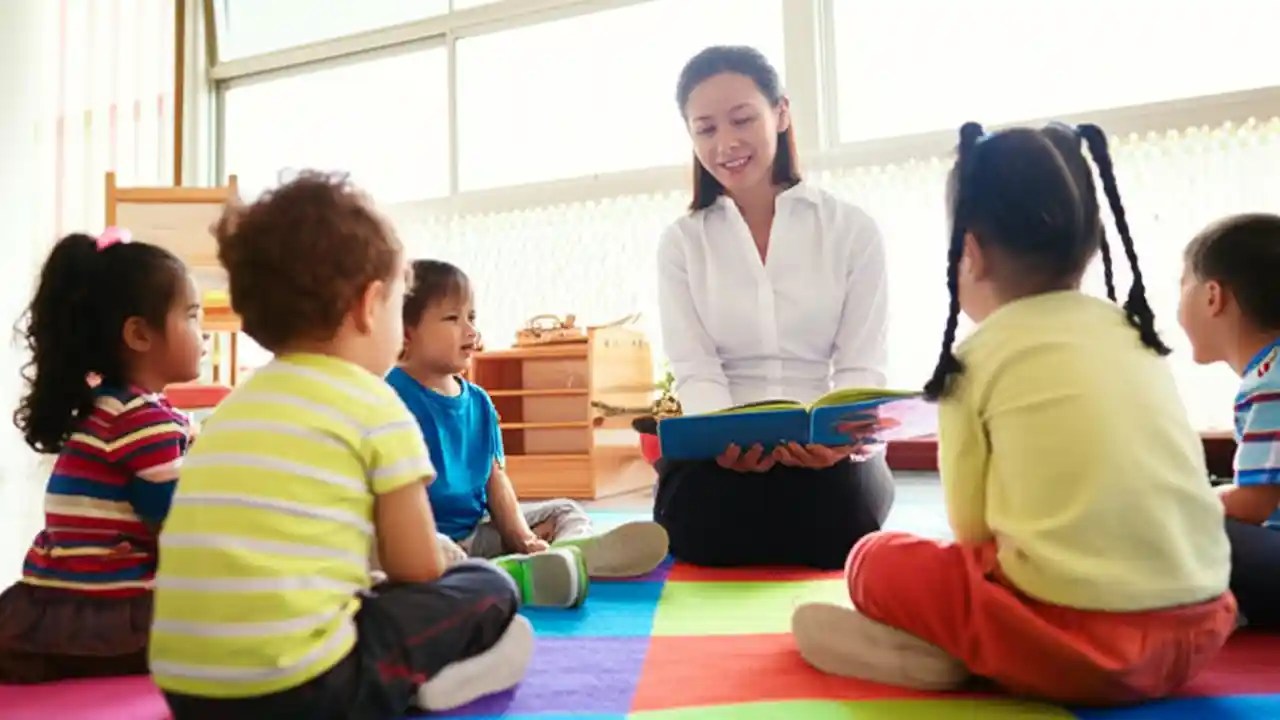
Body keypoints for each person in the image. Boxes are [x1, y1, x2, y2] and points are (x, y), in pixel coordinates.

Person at [792, 122, 1236, 705]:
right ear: (1091, 243)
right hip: (1202, 632)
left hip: (1076, 651)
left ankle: (950, 655)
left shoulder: (975, 359)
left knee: (872, 558)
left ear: (969, 253)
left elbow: (972, 533)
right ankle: (969, 645)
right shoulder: (1134, 335)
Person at [149, 173, 537, 719]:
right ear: (368, 305)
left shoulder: (230, 410)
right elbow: (418, 568)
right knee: (489, 586)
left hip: (188, 690)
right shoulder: (376, 406)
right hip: (310, 691)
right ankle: (442, 681)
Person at [653, 45, 894, 570]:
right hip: (721, 451)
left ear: (781, 114)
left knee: (843, 527)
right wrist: (721, 437)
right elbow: (695, 367)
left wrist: (836, 442)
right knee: (694, 525)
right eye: (706, 129)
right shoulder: (681, 243)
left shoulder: (851, 230)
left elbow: (860, 365)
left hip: (828, 454)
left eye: (742, 119)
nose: (726, 144)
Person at [387, 260, 668, 597]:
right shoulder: (390, 396)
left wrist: (524, 538)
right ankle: (504, 575)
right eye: (452, 319)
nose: (470, 332)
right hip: (428, 541)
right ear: (406, 331)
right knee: (423, 554)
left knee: (565, 510)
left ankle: (564, 554)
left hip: (477, 533)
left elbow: (495, 480)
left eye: (471, 318)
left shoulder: (478, 401)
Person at [0, 229, 201, 683]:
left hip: (48, 610)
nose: (202, 333)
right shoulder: (143, 420)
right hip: (112, 614)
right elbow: (181, 532)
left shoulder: (103, 407)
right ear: (139, 334)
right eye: (191, 316)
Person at [1177, 212, 1280, 631]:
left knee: (1184, 523)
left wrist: (1188, 505)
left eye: (1181, 285)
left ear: (1212, 296)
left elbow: (1257, 504)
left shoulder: (1270, 381)